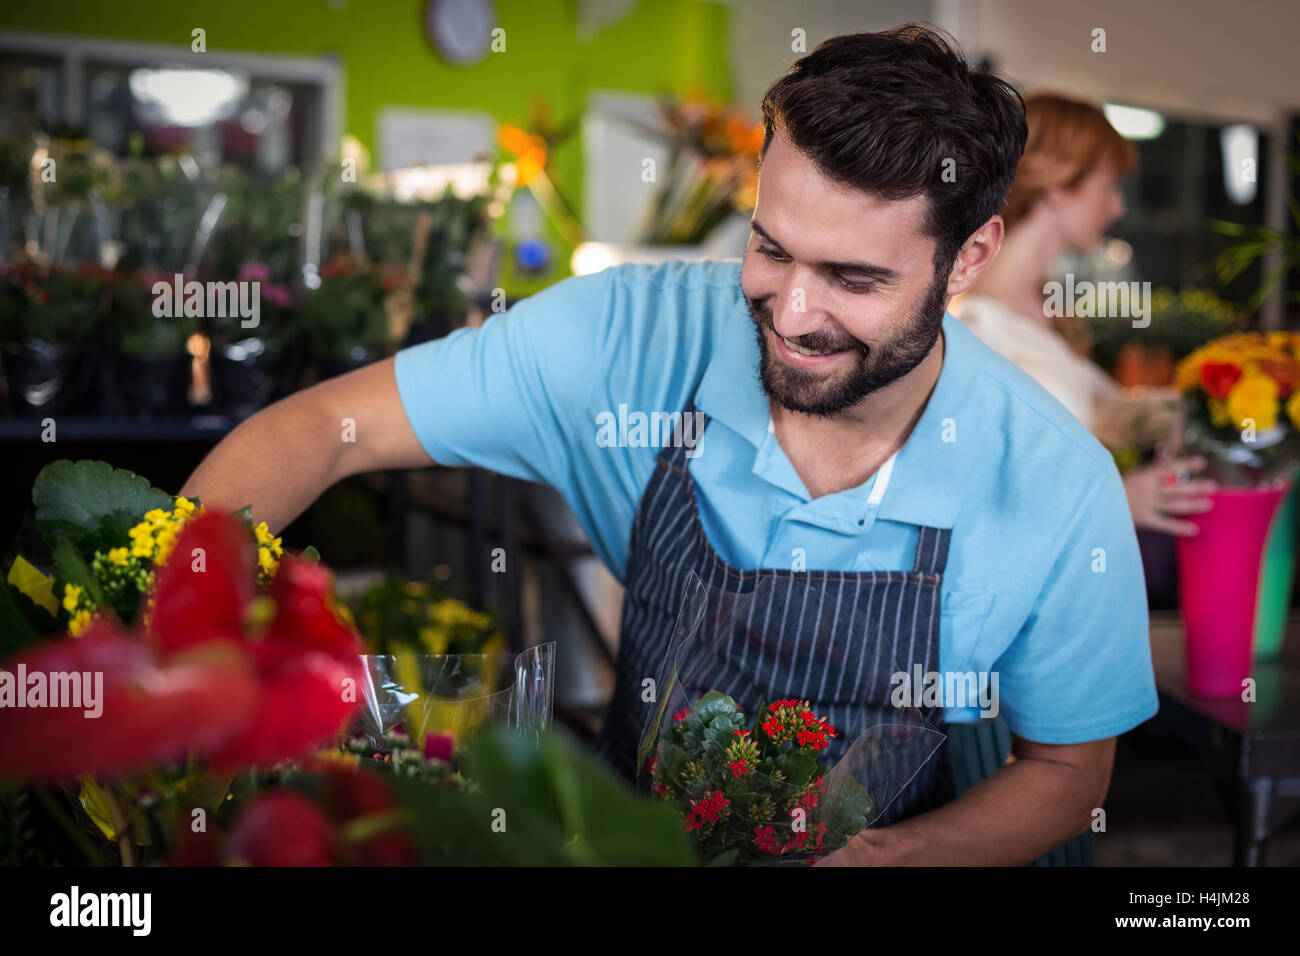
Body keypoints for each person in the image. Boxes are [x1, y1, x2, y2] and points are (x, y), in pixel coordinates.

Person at [181, 25, 1157, 865]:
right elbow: (316, 428)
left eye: (854, 277)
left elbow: (1070, 774)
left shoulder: (1056, 484)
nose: (794, 313)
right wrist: (168, 643)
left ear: (968, 259)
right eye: (770, 248)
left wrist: (887, 855)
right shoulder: (625, 339)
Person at [957, 93, 1216, 537]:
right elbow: (977, 492)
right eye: (1109, 185)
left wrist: (1215, 404)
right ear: (1059, 185)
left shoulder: (1046, 313)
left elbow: (1110, 412)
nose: (1118, 208)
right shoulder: (976, 325)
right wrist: (1117, 497)